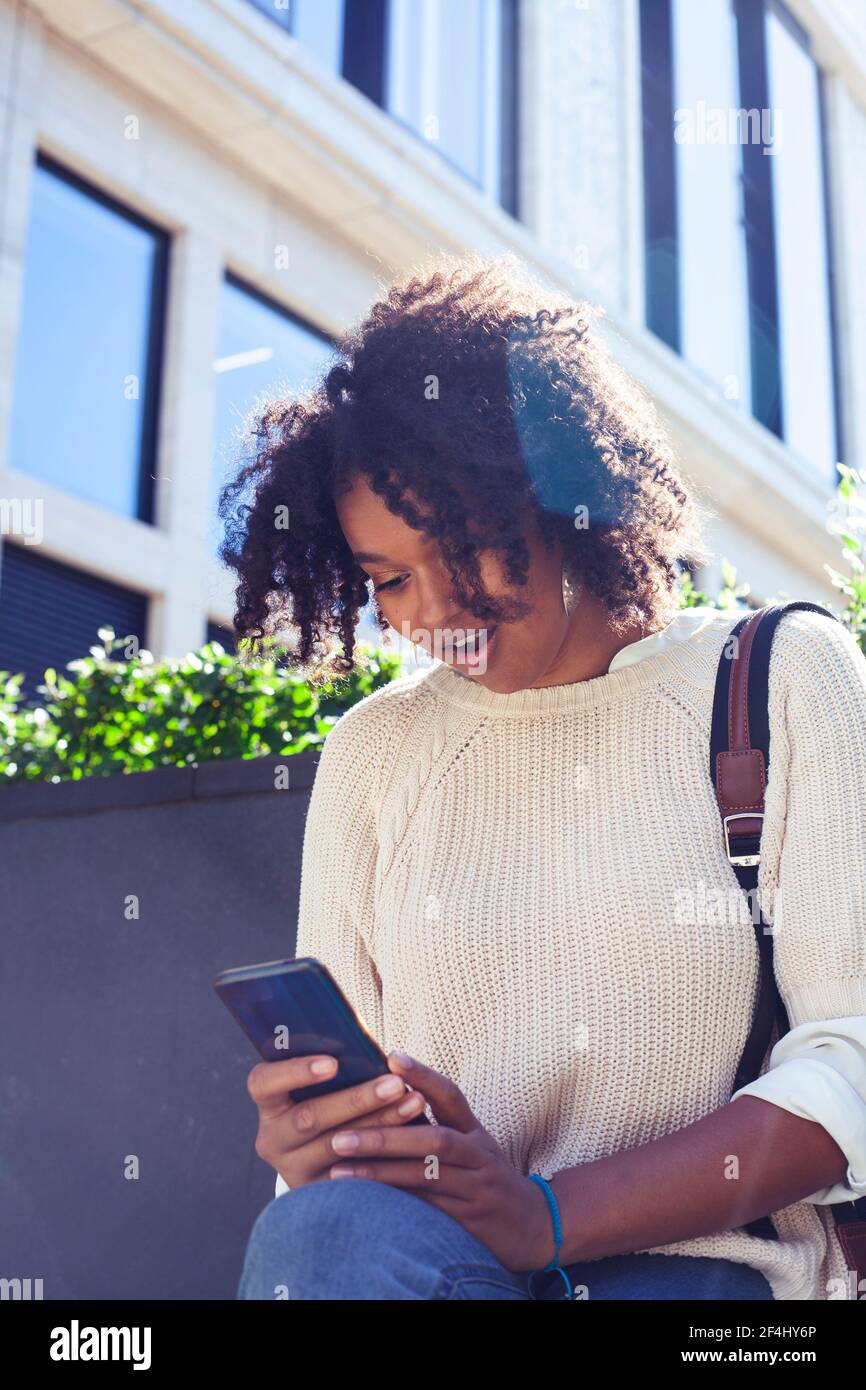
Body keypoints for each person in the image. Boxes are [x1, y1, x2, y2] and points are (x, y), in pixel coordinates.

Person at [220, 251, 866, 1300]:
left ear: (565, 495)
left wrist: (548, 1215)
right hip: (456, 1274)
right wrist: (322, 1150)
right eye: (388, 578)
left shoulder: (777, 680)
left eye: (464, 548)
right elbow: (358, 1176)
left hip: (721, 1289)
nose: (432, 611)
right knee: (324, 1234)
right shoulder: (376, 754)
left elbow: (850, 1065)